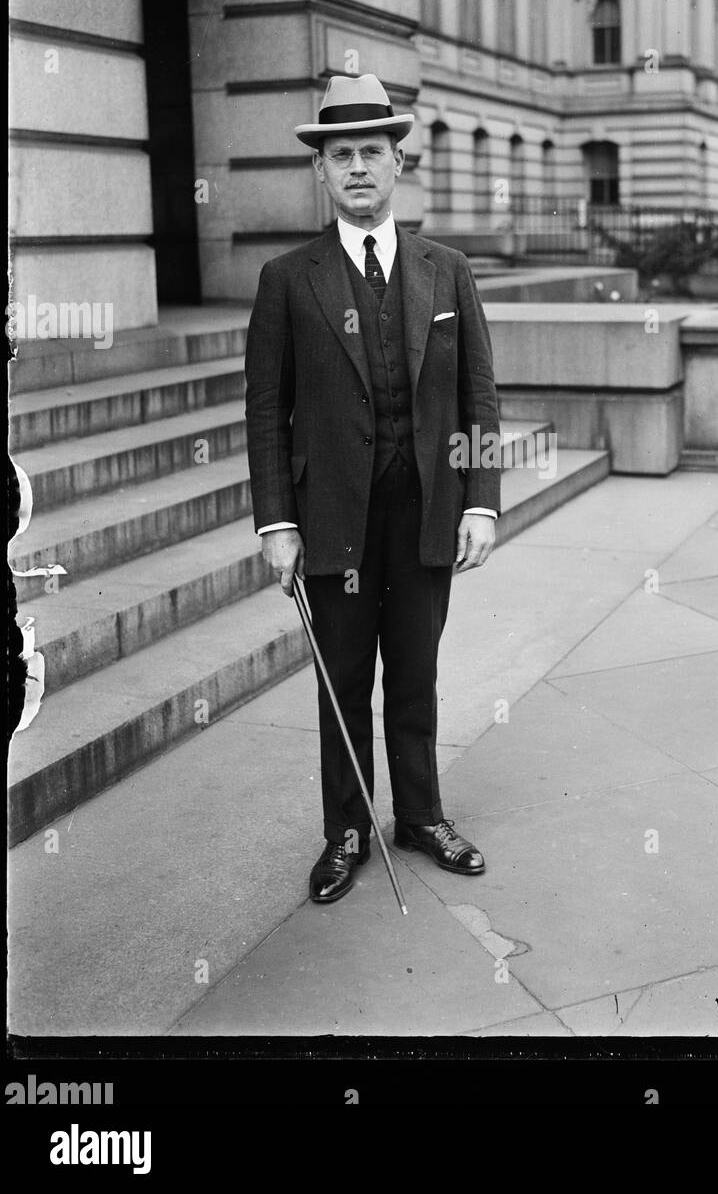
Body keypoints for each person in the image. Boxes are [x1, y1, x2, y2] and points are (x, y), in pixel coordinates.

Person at [245, 73, 502, 904]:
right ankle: (347, 830)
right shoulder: (288, 278)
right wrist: (276, 523)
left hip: (425, 509)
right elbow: (264, 410)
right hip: (332, 518)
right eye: (340, 155)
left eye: (371, 153)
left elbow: (477, 397)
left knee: (417, 671)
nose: (357, 168)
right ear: (321, 172)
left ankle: (420, 817)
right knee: (343, 674)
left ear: (399, 163)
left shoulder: (446, 270)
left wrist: (481, 499)